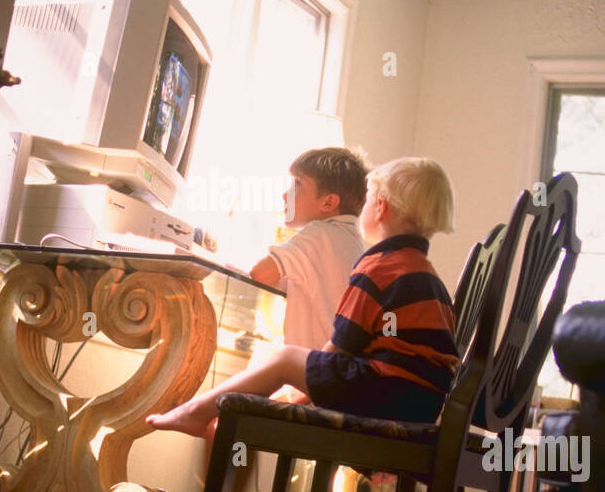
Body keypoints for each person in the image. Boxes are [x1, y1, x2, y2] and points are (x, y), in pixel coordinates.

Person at [148, 157, 459, 438]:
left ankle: (194, 412)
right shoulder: (430, 278)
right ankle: (208, 417)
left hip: (385, 396)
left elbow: (340, 350)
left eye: (367, 201)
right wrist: (306, 384)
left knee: (283, 358)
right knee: (285, 367)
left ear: (380, 208)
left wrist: (305, 380)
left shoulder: (379, 266)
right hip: (421, 407)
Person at [248, 147, 368, 350]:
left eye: (297, 184)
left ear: (329, 202)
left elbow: (260, 273)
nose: (285, 195)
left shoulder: (320, 234)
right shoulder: (353, 242)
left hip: (316, 369)